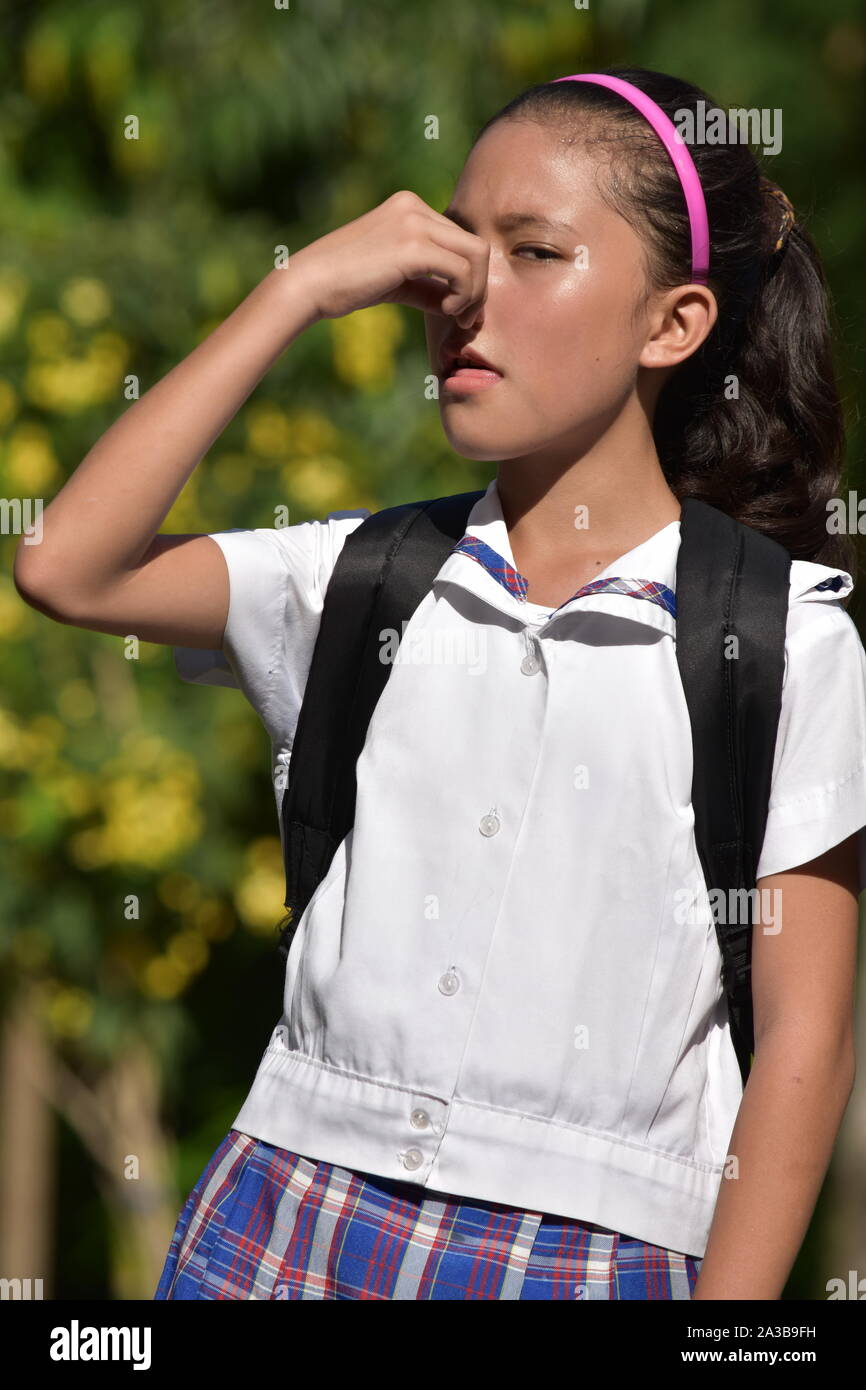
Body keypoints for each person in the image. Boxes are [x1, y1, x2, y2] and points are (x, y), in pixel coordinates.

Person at [14, 66, 865, 1301]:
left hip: (595, 1257)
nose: (464, 293)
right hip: (281, 1214)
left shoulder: (786, 640)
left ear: (671, 326)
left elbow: (804, 1042)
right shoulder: (359, 578)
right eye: (457, 245)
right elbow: (66, 566)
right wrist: (298, 287)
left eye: (533, 252)